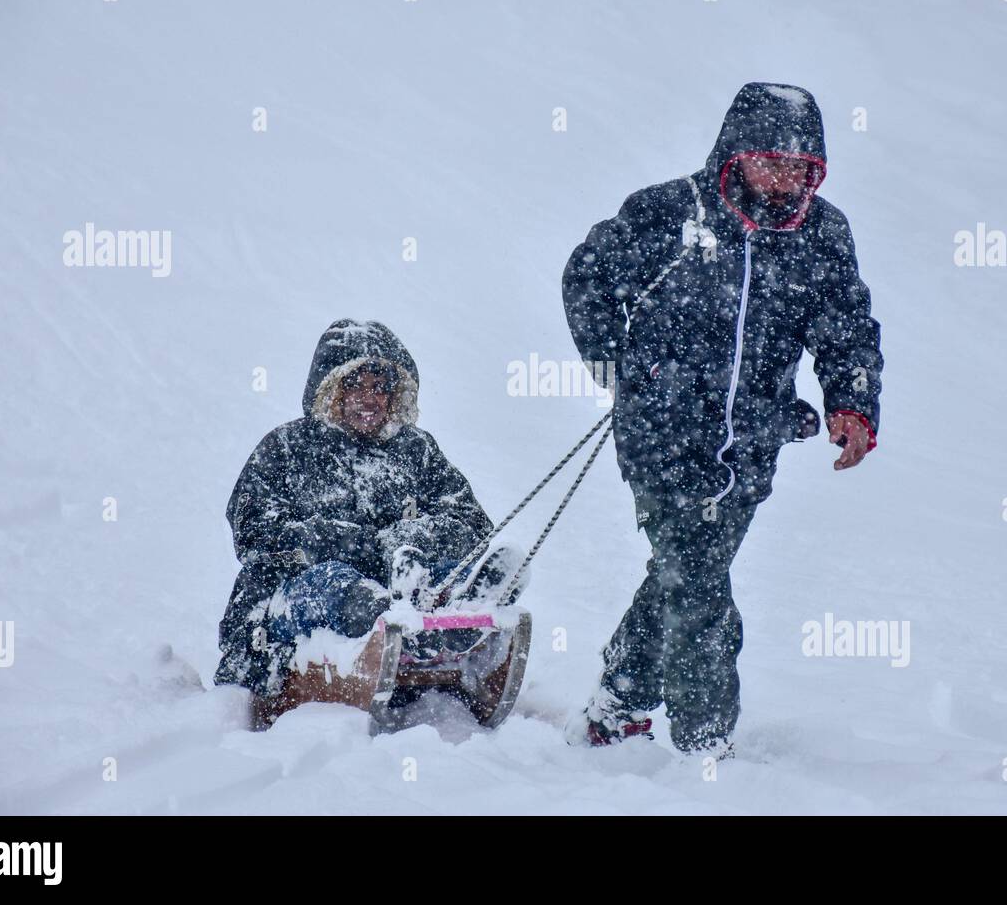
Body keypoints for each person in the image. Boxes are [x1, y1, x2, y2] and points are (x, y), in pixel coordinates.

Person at [560, 83, 885, 756]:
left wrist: (851, 403)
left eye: (803, 168)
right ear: (736, 154)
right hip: (662, 437)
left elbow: (846, 327)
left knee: (683, 575)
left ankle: (617, 701)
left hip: (753, 445)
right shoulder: (669, 214)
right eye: (774, 162)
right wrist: (623, 370)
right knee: (699, 582)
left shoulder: (823, 235)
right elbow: (587, 276)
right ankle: (705, 740)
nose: (788, 179)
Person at [213, 319, 520, 716]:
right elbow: (253, 527)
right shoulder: (288, 447)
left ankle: (460, 605)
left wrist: (403, 540)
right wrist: (339, 542)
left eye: (380, 387)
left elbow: (470, 523)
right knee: (336, 582)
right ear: (329, 389)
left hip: (399, 574)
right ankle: (400, 615)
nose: (369, 398)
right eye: (354, 385)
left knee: (445, 568)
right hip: (294, 599)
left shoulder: (416, 450)